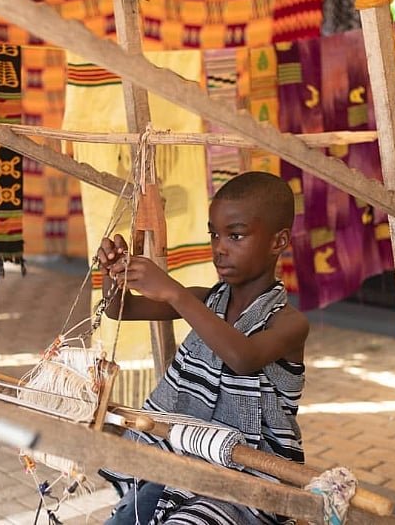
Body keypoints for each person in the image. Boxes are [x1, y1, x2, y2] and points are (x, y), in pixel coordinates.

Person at [96, 171, 310, 524]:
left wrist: (174, 292)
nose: (220, 248)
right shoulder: (206, 301)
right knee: (125, 518)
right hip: (186, 457)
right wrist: (114, 272)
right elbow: (121, 309)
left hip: (250, 477)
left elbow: (244, 357)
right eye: (214, 234)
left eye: (236, 235)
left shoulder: (289, 323)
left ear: (278, 241)